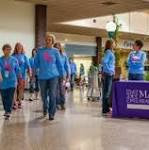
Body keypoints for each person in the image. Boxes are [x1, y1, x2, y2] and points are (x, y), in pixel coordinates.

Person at [34, 33, 64, 120]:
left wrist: (63, 74)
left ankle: (51, 113)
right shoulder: (40, 51)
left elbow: (59, 64)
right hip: (42, 76)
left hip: (53, 76)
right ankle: (45, 107)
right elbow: (36, 63)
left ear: (52, 41)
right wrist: (33, 74)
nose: (47, 41)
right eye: (46, 39)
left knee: (52, 94)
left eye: (49, 40)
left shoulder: (55, 51)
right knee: (43, 95)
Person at [0, 44, 21, 120]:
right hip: (3, 81)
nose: (8, 51)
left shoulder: (14, 59)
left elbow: (17, 69)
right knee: (4, 97)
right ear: (3, 50)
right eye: (6, 49)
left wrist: (19, 78)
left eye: (9, 49)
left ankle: (8, 111)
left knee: (10, 97)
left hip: (12, 80)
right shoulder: (0, 59)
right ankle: (6, 110)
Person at [13, 43, 31, 109]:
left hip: (22, 76)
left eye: (20, 46)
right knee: (14, 89)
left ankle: (20, 101)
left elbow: (28, 66)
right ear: (16, 47)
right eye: (17, 46)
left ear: (22, 47)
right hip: (14, 76)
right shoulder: (13, 56)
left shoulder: (24, 56)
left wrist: (30, 73)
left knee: (21, 89)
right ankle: (14, 103)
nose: (19, 47)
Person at [54, 42, 70, 110]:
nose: (57, 48)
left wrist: (68, 75)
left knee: (62, 90)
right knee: (56, 90)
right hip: (54, 74)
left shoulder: (64, 55)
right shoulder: (52, 55)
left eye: (58, 47)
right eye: (56, 47)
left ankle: (62, 103)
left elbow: (67, 66)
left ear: (60, 48)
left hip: (62, 75)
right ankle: (57, 104)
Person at [102, 40, 115, 116]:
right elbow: (104, 62)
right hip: (108, 74)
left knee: (106, 92)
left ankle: (105, 109)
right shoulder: (108, 52)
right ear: (110, 44)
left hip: (108, 73)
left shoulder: (110, 52)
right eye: (113, 43)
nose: (114, 44)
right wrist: (110, 70)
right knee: (107, 92)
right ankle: (106, 110)